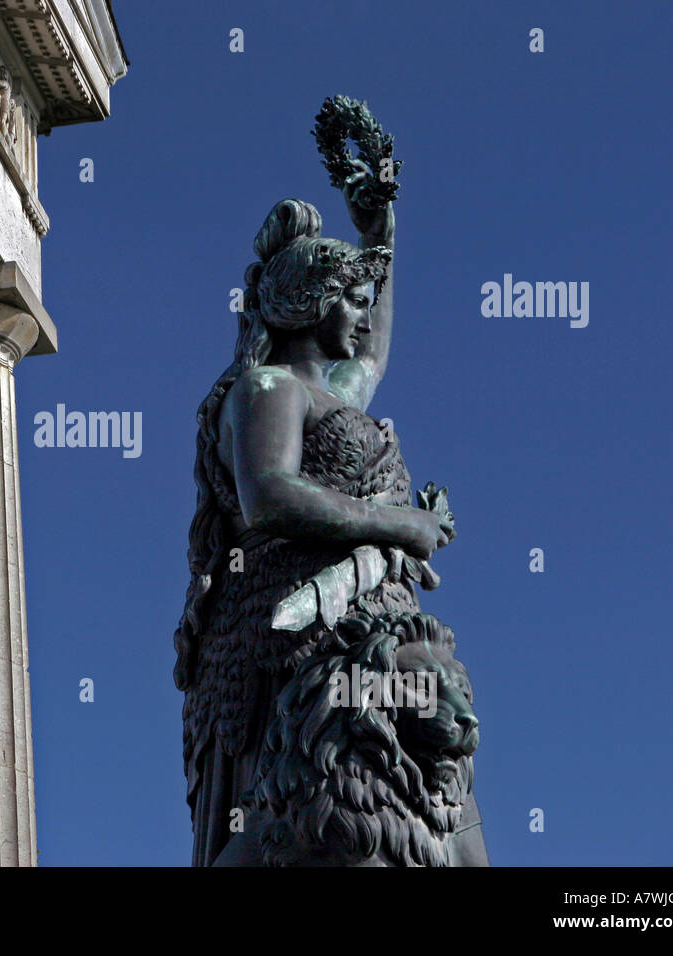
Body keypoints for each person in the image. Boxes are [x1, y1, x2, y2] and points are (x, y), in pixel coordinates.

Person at [175, 161, 485, 865]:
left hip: (381, 631)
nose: (365, 316)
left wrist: (382, 232)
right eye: (353, 299)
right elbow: (269, 494)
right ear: (313, 302)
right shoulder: (268, 388)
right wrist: (401, 525)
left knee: (451, 816)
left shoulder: (335, 387)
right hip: (296, 633)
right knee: (315, 800)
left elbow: (371, 358)